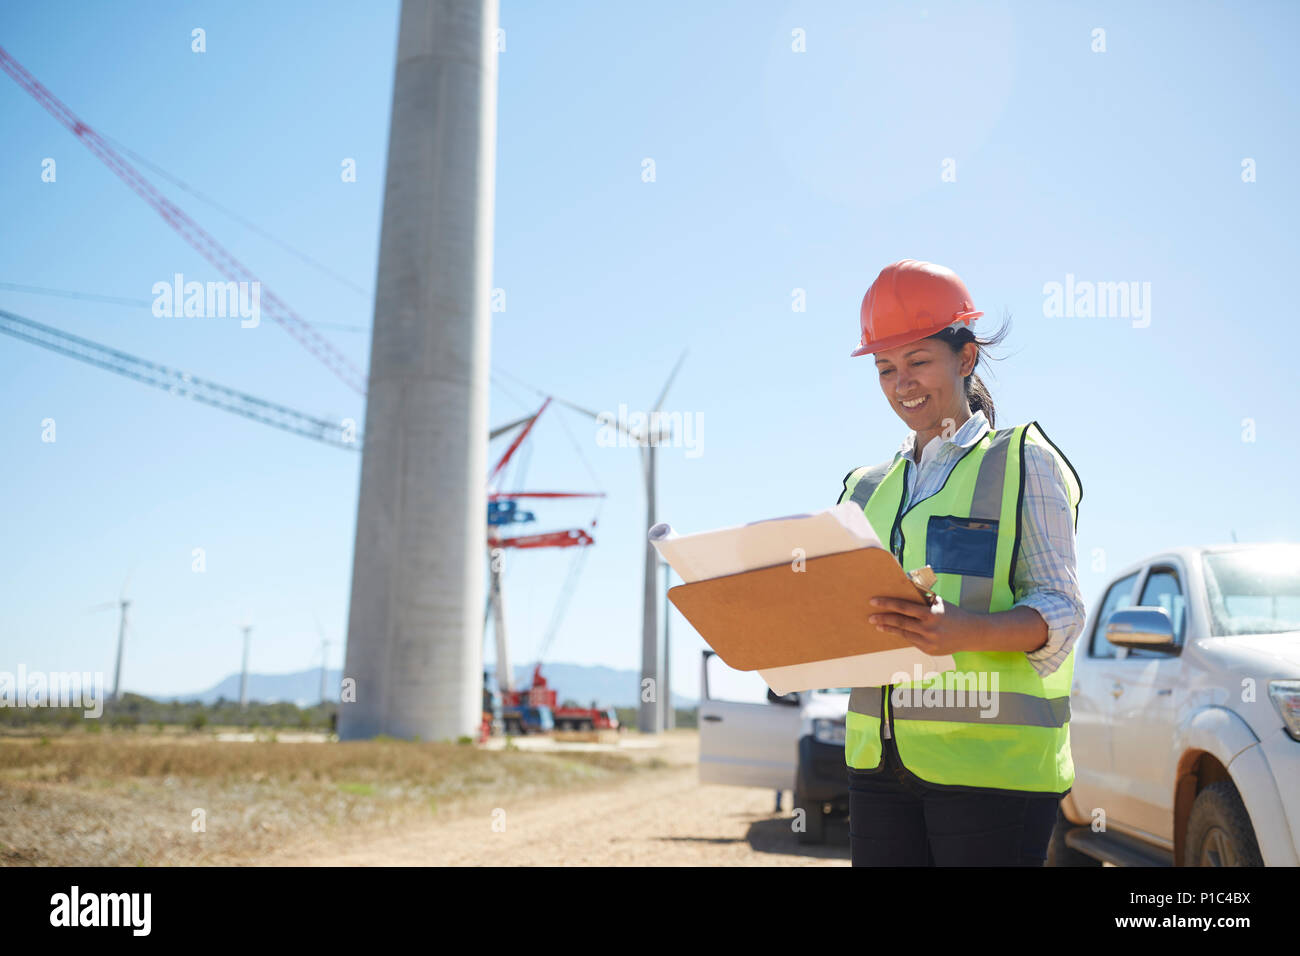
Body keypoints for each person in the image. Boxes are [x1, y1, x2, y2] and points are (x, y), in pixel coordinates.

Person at [838, 259, 1085, 866]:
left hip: (992, 771)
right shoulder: (863, 490)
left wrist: (964, 630)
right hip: (879, 762)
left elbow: (1061, 608)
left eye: (918, 361)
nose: (902, 384)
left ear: (966, 358)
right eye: (886, 368)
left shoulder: (1022, 461)